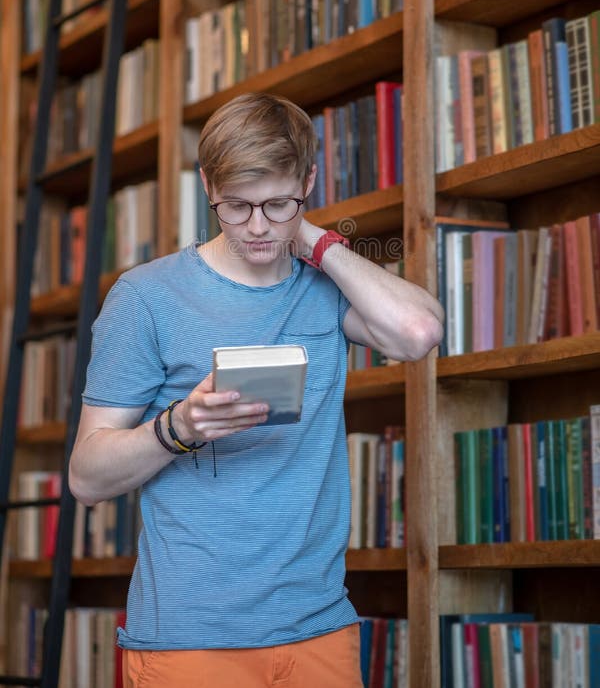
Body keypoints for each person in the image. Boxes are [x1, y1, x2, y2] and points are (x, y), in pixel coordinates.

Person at [69, 92, 444, 688]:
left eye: (278, 203)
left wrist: (315, 242)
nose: (259, 226)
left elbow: (419, 332)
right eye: (236, 207)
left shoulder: (323, 288)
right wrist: (180, 427)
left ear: (309, 181)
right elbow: (87, 477)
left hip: (317, 626)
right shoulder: (146, 297)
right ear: (207, 187)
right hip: (191, 637)